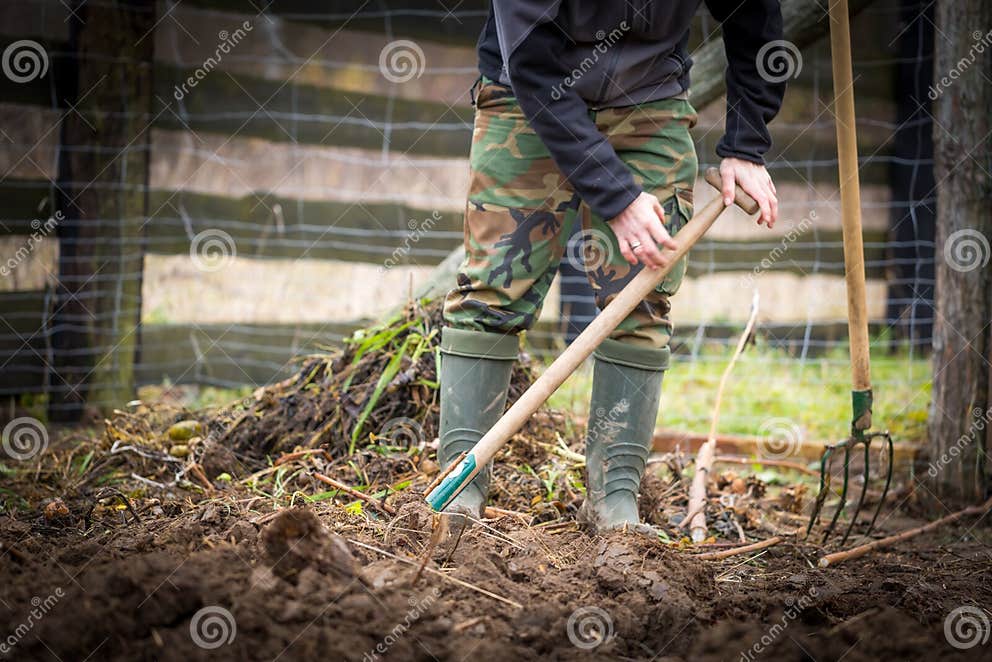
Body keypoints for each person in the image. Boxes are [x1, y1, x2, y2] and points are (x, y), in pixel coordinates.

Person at [438, 0, 784, 532]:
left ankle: (613, 502)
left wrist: (747, 143)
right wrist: (618, 197)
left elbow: (754, 19)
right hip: (527, 95)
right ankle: (460, 489)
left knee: (642, 297)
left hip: (649, 99)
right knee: (495, 289)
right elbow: (533, 62)